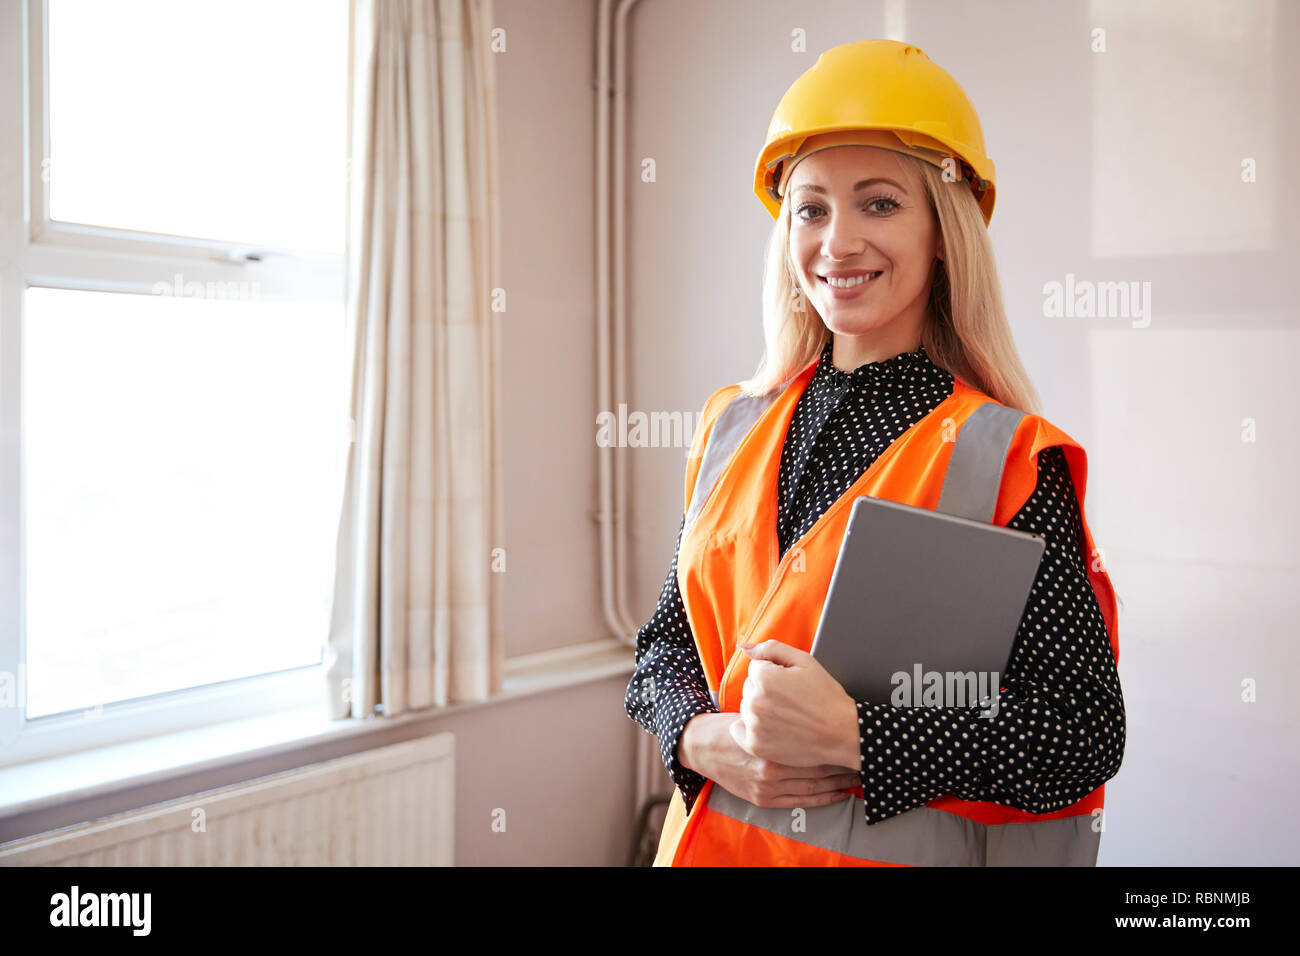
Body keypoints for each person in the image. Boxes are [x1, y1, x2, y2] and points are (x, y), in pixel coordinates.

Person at [624, 39, 1124, 866]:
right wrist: (696, 736)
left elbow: (1080, 732)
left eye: (880, 204)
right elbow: (665, 648)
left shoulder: (1008, 459)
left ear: (942, 233)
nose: (838, 242)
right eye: (812, 208)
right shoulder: (730, 428)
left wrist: (859, 735)